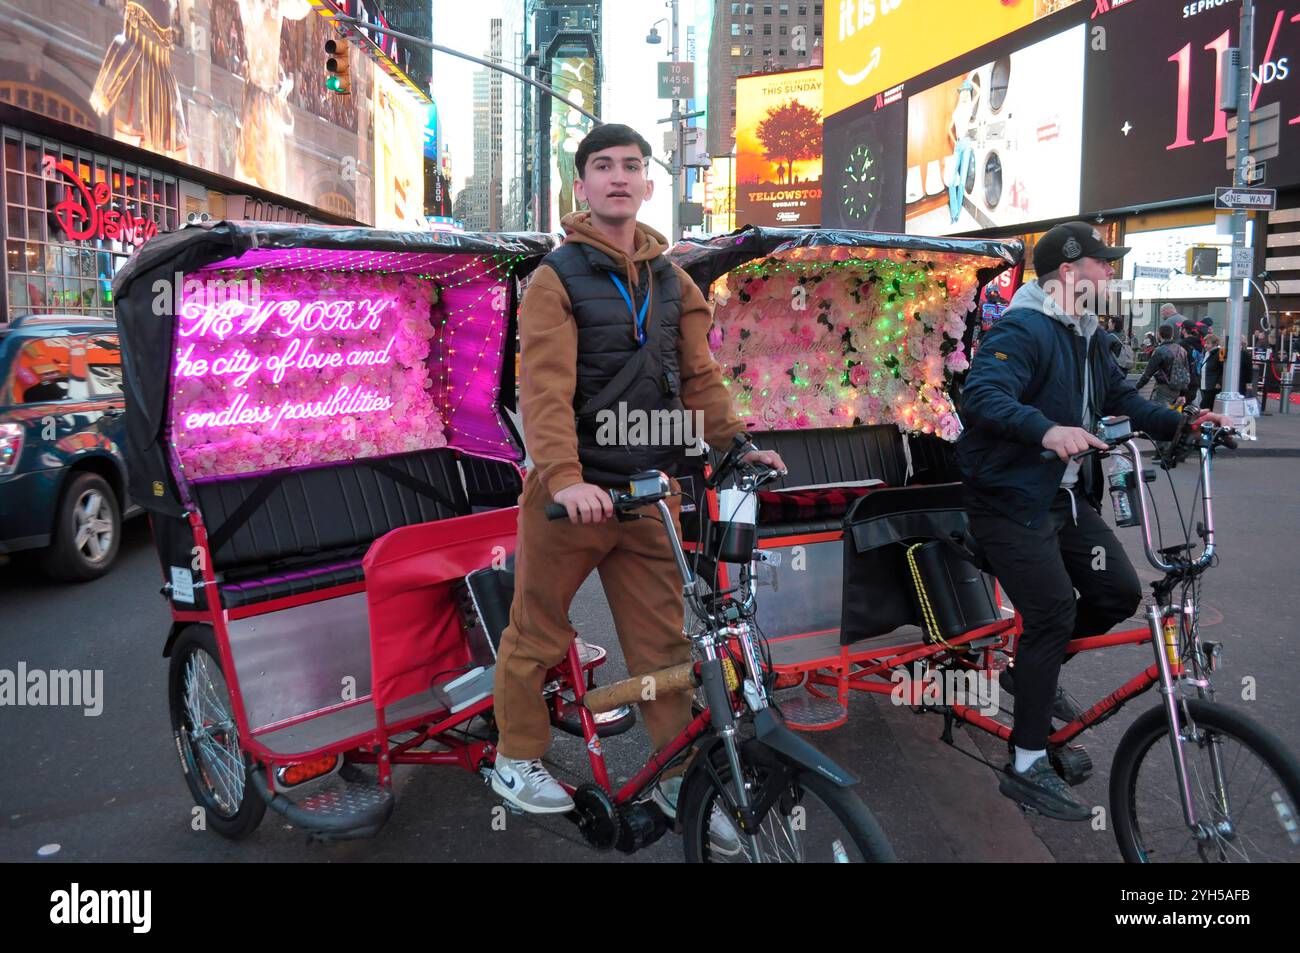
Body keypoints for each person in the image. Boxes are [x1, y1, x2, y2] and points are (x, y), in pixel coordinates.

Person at [490, 123, 785, 815]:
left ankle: (683, 773)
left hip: (650, 494)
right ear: (583, 185)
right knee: (536, 631)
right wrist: (564, 478)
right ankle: (516, 757)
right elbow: (545, 390)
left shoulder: (673, 281)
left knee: (665, 646)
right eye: (602, 166)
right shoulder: (554, 278)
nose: (618, 176)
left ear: (649, 183)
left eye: (631, 165)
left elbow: (701, 381)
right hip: (571, 497)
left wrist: (736, 446)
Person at [956, 221, 1231, 821]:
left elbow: (1122, 401)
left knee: (1116, 593)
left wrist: (1184, 425)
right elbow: (982, 396)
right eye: (1104, 265)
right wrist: (1046, 430)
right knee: (1052, 610)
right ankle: (1027, 765)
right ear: (1070, 272)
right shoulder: (1024, 327)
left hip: (1061, 498)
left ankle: (1032, 671)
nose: (1111, 273)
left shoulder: (1088, 335)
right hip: (1008, 498)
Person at [1135, 324, 1192, 408]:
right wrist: (1183, 393)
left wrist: (1136, 387)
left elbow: (1147, 373)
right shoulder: (1181, 350)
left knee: (1158, 414)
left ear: (1159, 334)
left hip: (1164, 388)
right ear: (1172, 335)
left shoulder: (1160, 351)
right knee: (1169, 414)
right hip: (1177, 389)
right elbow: (1187, 372)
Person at [1199, 333, 1223, 410]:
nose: (1205, 345)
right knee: (1205, 405)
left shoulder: (1220, 352)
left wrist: (1219, 382)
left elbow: (1222, 369)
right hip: (1204, 384)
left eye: (1208, 343)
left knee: (1205, 405)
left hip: (1212, 385)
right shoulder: (1206, 353)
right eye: (1205, 343)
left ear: (1215, 344)